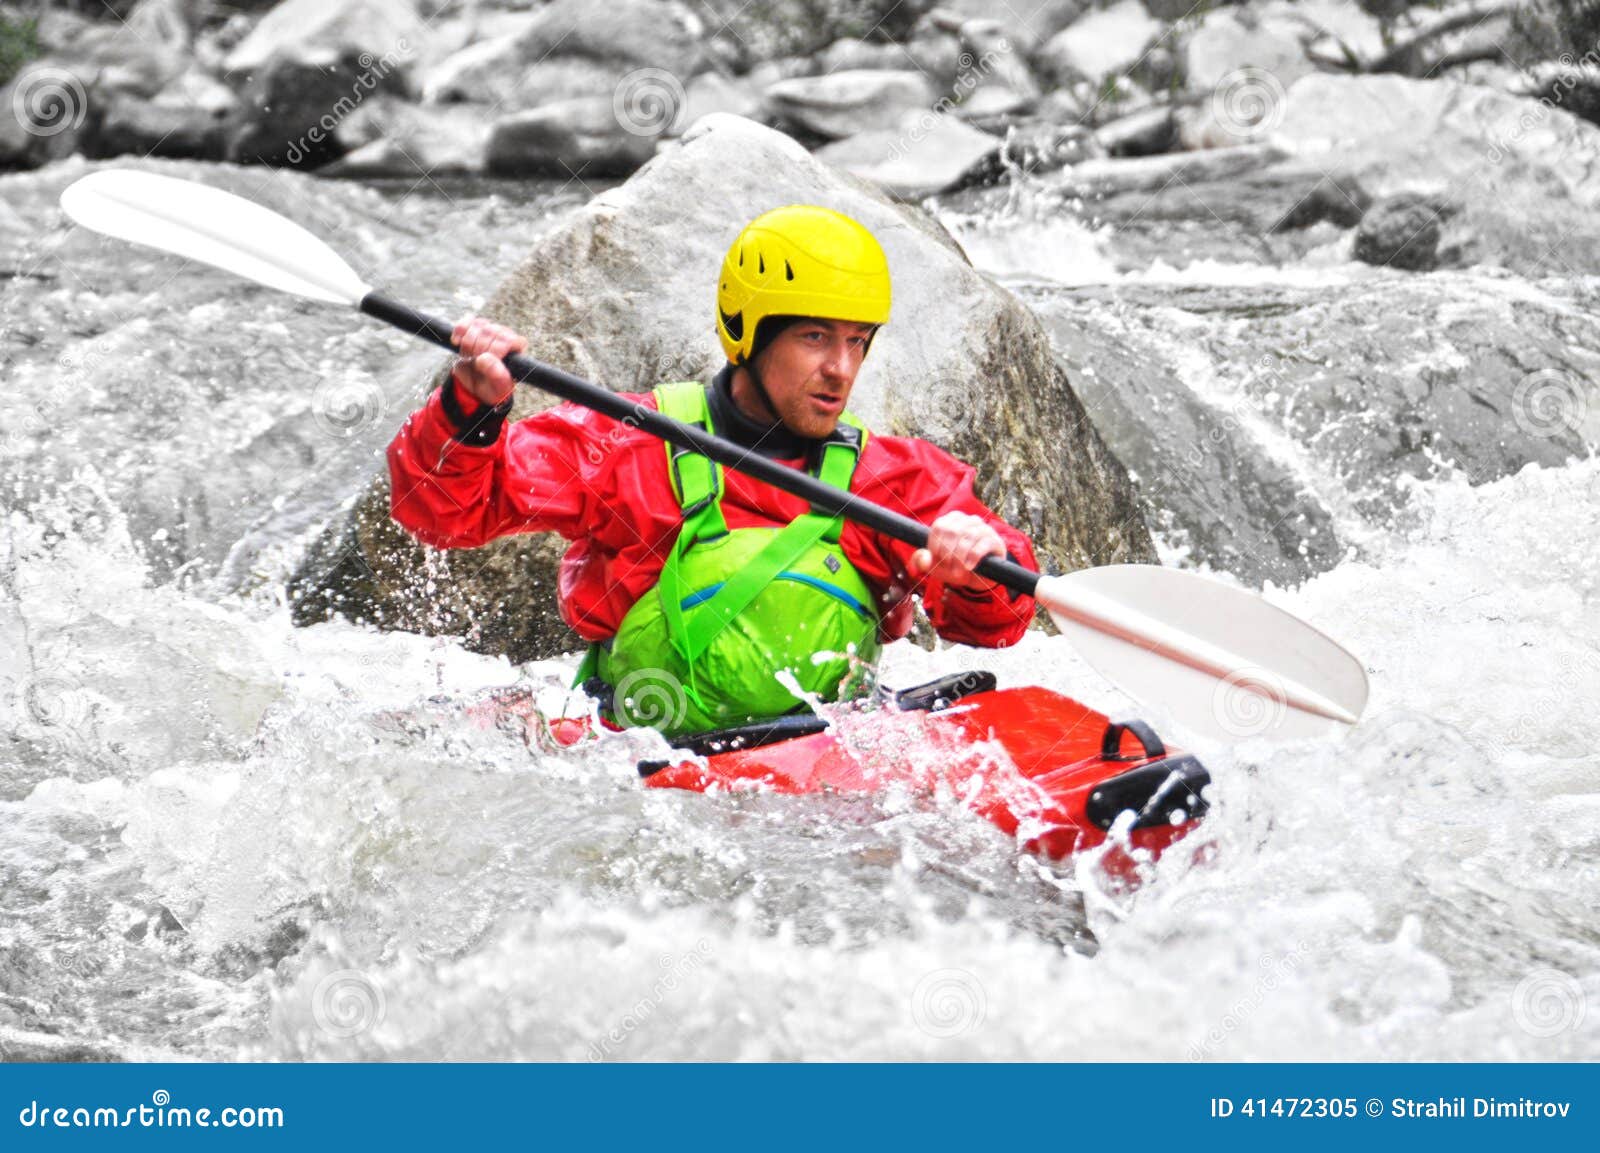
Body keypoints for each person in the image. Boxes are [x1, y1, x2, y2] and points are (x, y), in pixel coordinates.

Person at [386, 204, 1038, 736]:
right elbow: (445, 510)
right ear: (747, 331)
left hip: (828, 763)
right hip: (646, 760)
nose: (841, 368)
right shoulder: (630, 445)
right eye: (815, 337)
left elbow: (992, 620)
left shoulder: (891, 479)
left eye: (856, 341)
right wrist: (470, 407)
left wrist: (976, 565)